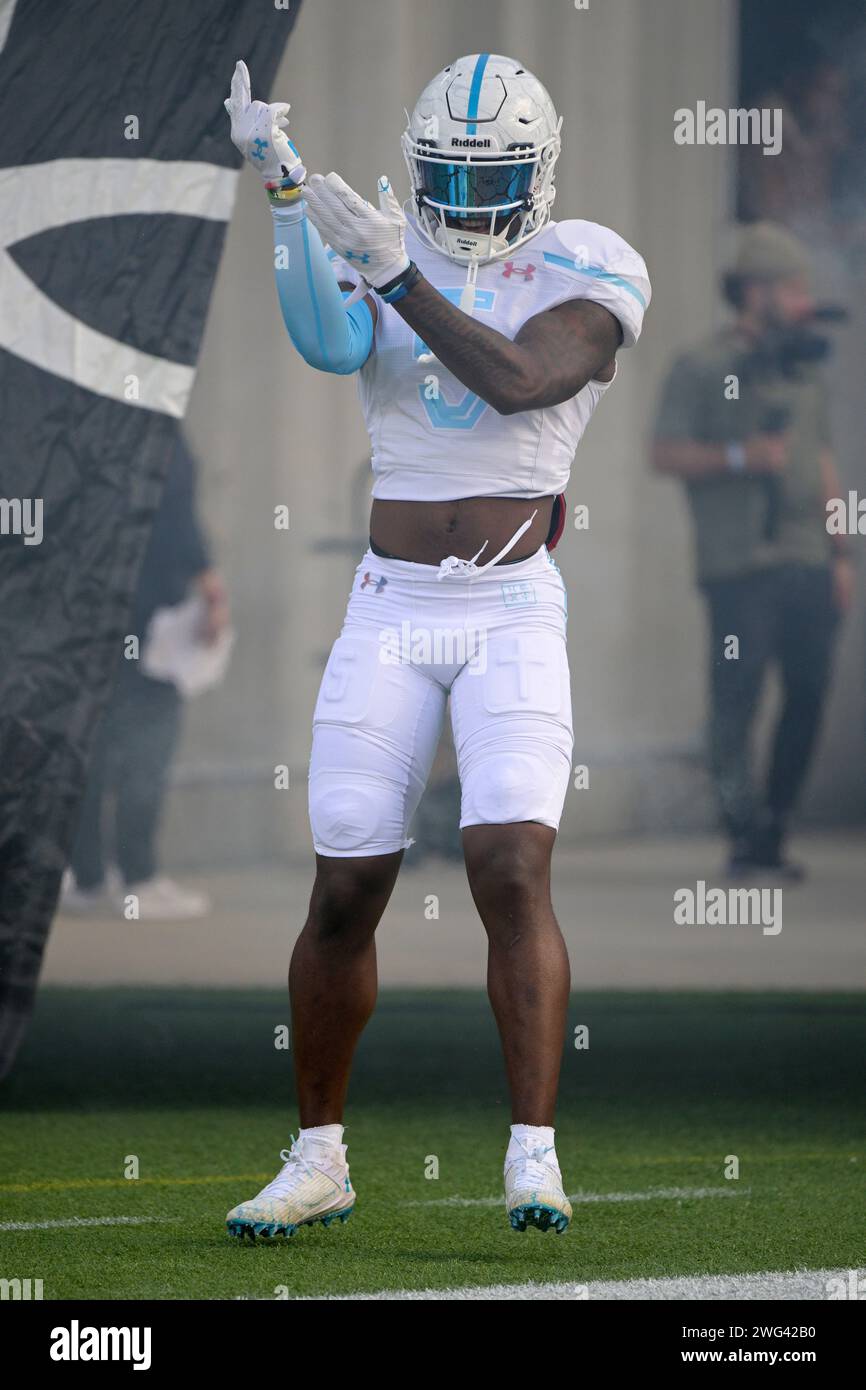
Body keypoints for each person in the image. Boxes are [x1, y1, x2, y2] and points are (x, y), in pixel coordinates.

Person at [223, 53, 650, 1239]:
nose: (465, 204)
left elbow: (517, 380)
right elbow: (321, 341)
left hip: (511, 602)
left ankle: (532, 1155)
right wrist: (286, 192)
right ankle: (318, 1157)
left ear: (539, 169)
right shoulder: (376, 233)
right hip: (389, 600)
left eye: (492, 177)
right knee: (345, 886)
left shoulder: (592, 263)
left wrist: (393, 267)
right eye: (447, 181)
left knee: (509, 865)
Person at [652, 222, 853, 880]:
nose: (801, 299)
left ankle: (774, 827)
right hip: (739, 565)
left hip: (807, 561)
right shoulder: (703, 366)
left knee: (809, 691)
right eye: (791, 287)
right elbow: (665, 452)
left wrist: (842, 552)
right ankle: (742, 833)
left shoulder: (802, 368)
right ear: (754, 291)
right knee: (736, 699)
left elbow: (821, 459)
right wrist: (742, 456)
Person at [61, 432, 230, 920]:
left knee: (90, 747)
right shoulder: (159, 432)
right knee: (146, 747)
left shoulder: (88, 424)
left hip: (84, 610)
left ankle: (89, 877)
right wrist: (211, 589)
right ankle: (139, 878)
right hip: (151, 614)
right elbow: (176, 518)